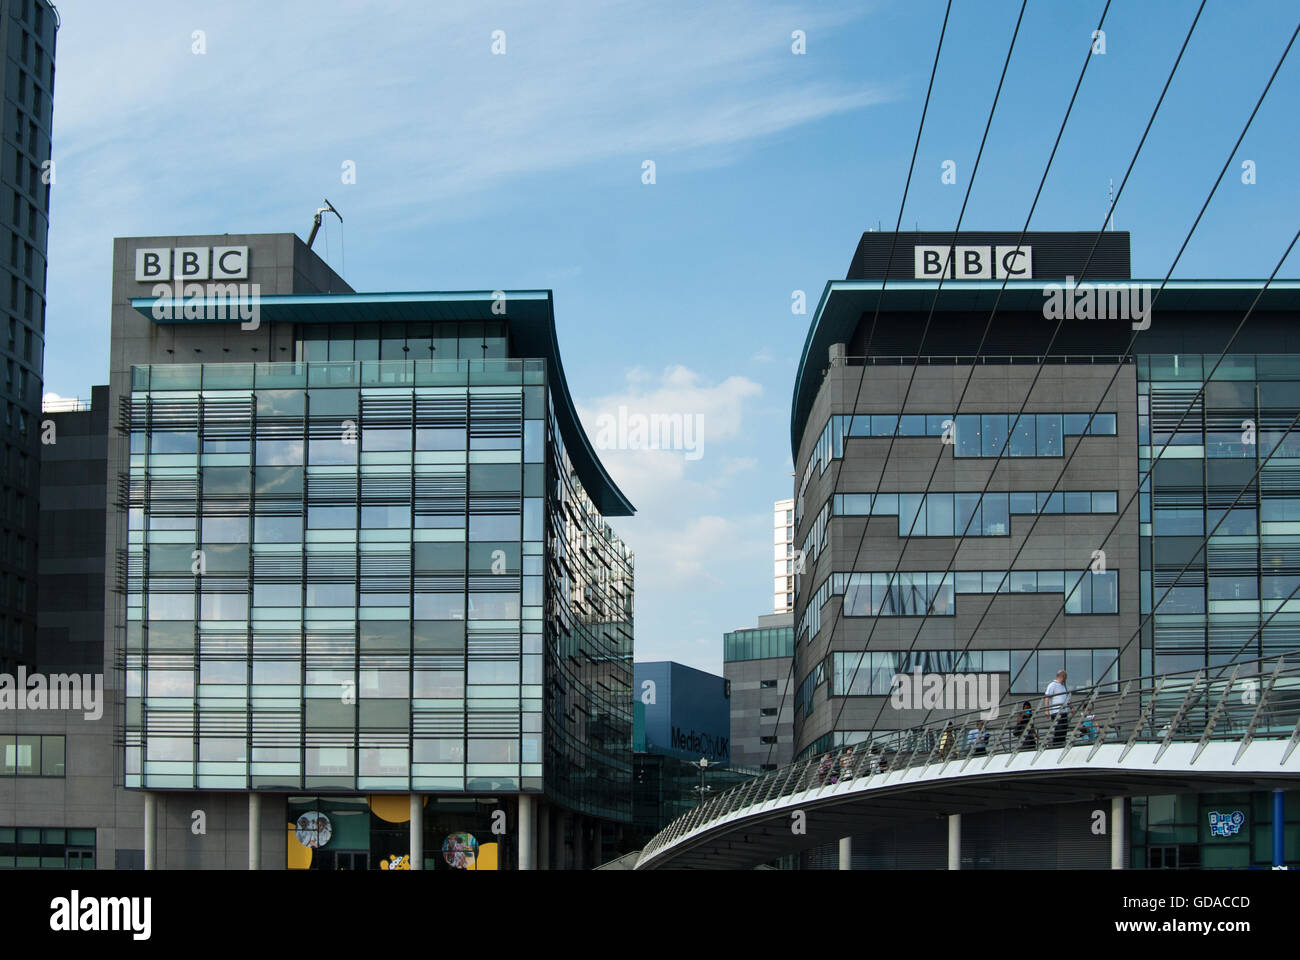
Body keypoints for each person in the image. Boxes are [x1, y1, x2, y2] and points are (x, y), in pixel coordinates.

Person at [1044, 669, 1070, 747]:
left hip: (1064, 711)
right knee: (1059, 729)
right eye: (1065, 677)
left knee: (1064, 729)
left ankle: (1061, 744)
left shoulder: (1063, 686)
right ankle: (1056, 745)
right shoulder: (1053, 685)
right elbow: (1047, 697)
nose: (1066, 679)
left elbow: (1065, 697)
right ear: (1062, 676)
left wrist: (1071, 707)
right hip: (1056, 711)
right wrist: (1047, 710)